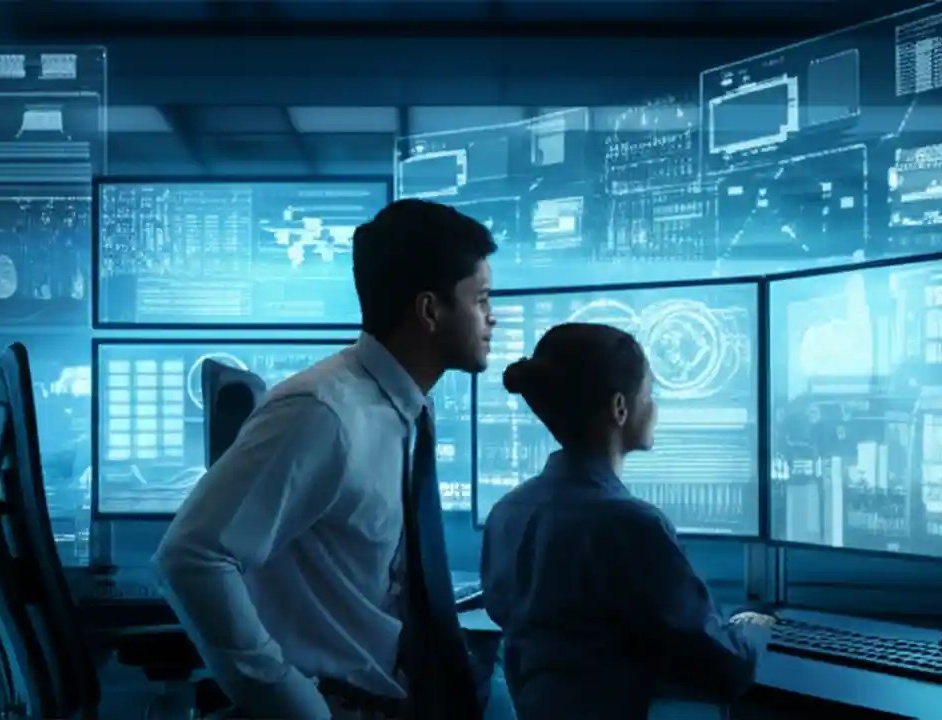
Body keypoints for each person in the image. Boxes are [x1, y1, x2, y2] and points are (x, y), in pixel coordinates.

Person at [153, 198, 498, 719]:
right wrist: (291, 701)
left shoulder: (404, 409)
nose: (493, 318)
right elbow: (191, 557)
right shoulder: (322, 414)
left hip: (404, 685)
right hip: (351, 702)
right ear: (430, 311)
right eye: (481, 299)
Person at [480, 323, 773, 719]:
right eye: (649, 393)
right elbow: (725, 667)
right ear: (620, 408)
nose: (654, 406)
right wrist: (752, 627)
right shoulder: (631, 525)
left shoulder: (507, 513)